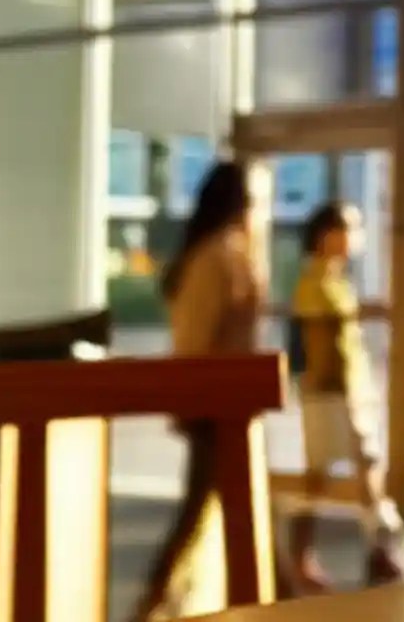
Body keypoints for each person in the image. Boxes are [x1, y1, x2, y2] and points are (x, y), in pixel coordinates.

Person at [131, 161, 283, 621]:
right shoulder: (218, 256)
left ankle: (160, 604)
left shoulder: (228, 252)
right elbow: (196, 336)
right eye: (256, 200)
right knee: (210, 513)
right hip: (216, 404)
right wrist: (196, 394)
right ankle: (152, 606)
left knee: (222, 511)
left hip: (227, 403)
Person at [287, 201, 404, 591]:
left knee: (361, 470)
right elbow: (321, 345)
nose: (355, 237)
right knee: (328, 471)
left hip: (348, 391)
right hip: (330, 395)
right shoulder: (314, 284)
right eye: (348, 228)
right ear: (326, 234)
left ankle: (376, 551)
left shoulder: (336, 281)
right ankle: (303, 554)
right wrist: (338, 395)